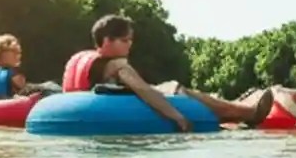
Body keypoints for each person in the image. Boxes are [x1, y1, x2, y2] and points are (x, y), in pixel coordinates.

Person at [62, 14, 274, 132]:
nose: (129, 46)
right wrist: (177, 116)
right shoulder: (116, 64)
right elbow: (143, 90)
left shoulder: (79, 58)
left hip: (73, 116)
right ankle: (246, 112)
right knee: (176, 88)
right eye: (125, 40)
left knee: (172, 89)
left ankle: (232, 111)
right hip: (109, 113)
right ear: (107, 41)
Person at [0, 34, 62, 100]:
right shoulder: (12, 75)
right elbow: (25, 89)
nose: (18, 56)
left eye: (18, 53)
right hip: (12, 101)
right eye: (15, 53)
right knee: (50, 86)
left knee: (48, 85)